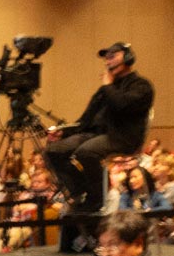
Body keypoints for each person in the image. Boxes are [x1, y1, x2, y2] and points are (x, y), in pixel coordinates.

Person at [46, 42, 155, 213]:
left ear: (127, 57)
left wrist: (107, 86)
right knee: (53, 151)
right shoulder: (105, 89)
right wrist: (64, 132)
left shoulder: (141, 85)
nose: (108, 62)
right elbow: (86, 119)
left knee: (86, 151)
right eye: (106, 59)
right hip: (95, 135)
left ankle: (97, 197)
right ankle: (79, 189)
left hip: (123, 138)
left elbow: (122, 105)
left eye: (112, 56)